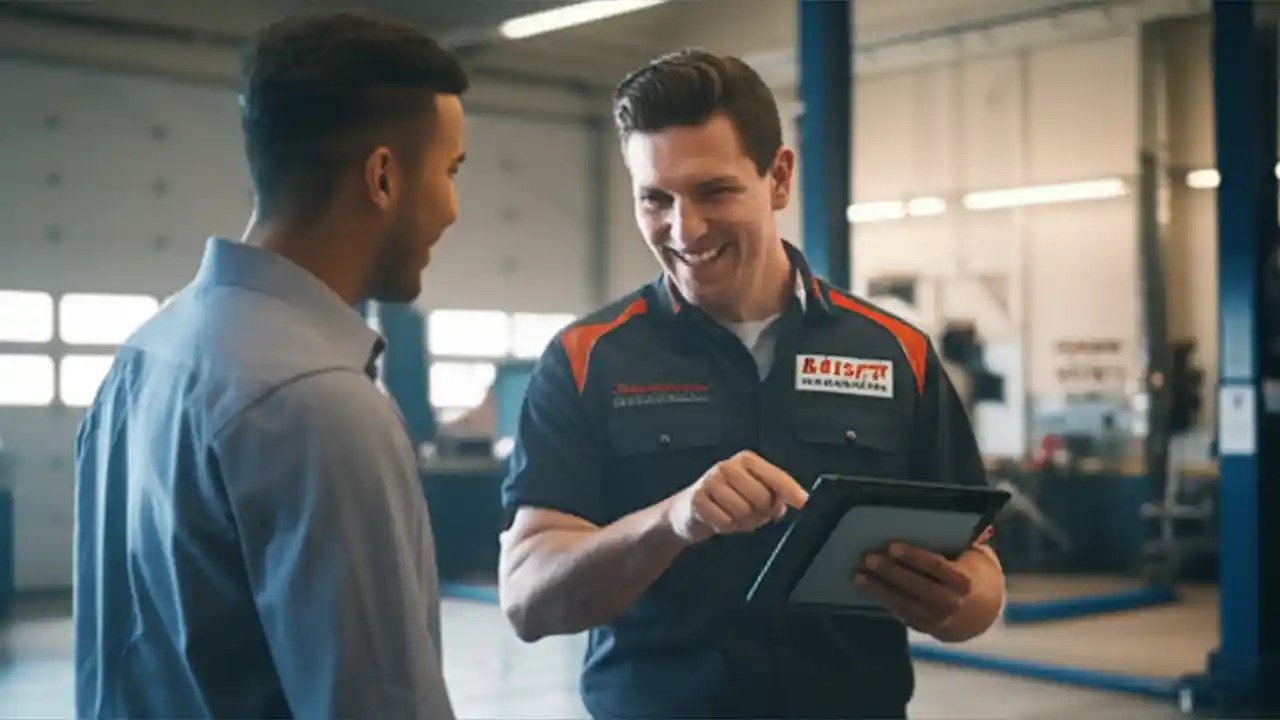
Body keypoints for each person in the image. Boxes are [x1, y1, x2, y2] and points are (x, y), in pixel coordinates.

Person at [498, 50, 1006, 720]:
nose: (684, 229)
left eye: (714, 192)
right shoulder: (586, 360)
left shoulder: (896, 353)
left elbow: (980, 572)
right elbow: (527, 599)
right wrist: (671, 522)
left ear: (780, 178)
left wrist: (958, 602)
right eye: (655, 199)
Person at [73, 12, 467, 719]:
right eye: (450, 172)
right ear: (382, 177)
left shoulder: (146, 356)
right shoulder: (319, 402)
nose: (453, 209)